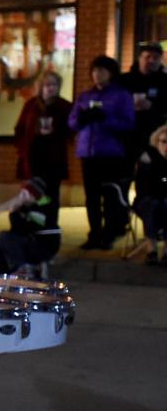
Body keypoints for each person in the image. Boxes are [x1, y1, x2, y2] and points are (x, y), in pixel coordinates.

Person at [69, 55, 136, 249]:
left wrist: (105, 119)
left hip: (110, 152)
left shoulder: (120, 95)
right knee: (91, 196)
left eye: (102, 71)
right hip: (88, 153)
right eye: (95, 71)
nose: (97, 74)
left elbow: (128, 123)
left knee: (109, 196)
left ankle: (109, 233)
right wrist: (83, 119)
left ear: (111, 73)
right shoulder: (85, 96)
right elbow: (72, 122)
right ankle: (94, 234)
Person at [13, 71, 73, 230]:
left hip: (53, 158)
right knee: (32, 194)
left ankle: (49, 227)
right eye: (47, 85)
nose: (50, 88)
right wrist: (21, 149)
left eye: (53, 85)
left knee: (51, 195)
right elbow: (19, 129)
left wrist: (57, 130)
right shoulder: (31, 105)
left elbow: (71, 131)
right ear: (40, 87)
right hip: (33, 158)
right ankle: (32, 226)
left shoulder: (64, 106)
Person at [119, 41, 167, 165]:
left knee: (153, 178)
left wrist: (152, 106)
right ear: (140, 58)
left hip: (155, 137)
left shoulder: (164, 82)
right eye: (147, 57)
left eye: (155, 58)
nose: (151, 61)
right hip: (127, 136)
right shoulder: (124, 80)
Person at [133, 124, 167, 264]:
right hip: (147, 200)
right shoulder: (147, 159)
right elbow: (144, 186)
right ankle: (151, 248)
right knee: (151, 205)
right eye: (164, 141)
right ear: (156, 142)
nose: (166, 146)